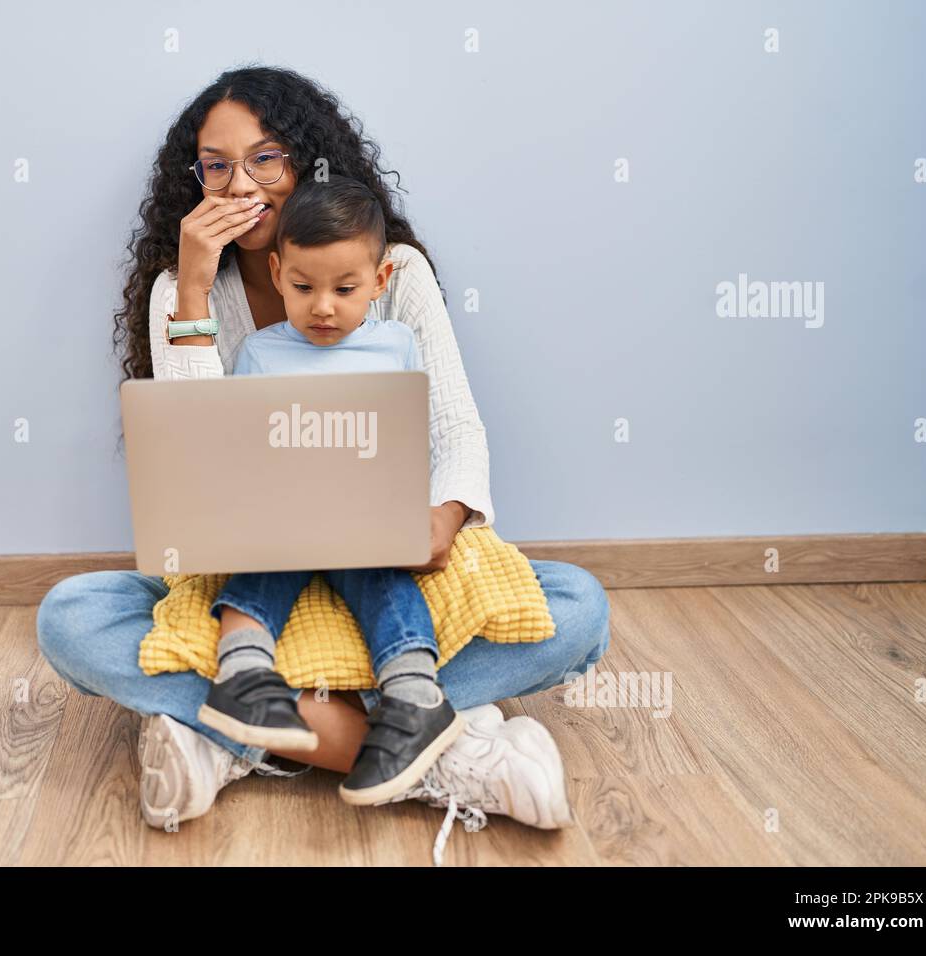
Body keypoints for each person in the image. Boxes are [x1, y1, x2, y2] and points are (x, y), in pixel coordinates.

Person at [37, 66, 611, 854]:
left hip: (389, 564)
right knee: (71, 616)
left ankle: (240, 739)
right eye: (217, 164)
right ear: (197, 178)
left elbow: (455, 427)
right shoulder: (183, 286)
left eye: (265, 159)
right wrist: (196, 291)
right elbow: (195, 461)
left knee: (578, 605)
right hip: (249, 577)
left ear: (305, 162)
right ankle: (425, 751)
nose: (242, 183)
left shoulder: (395, 272)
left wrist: (439, 524)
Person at [198, 176, 466, 807]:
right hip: (284, 519)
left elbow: (418, 435)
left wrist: (421, 510)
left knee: (380, 574)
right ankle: (242, 674)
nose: (323, 307)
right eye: (302, 287)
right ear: (277, 270)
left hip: (366, 519)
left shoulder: (396, 344)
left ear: (380, 281)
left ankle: (414, 695)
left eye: (345, 290)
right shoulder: (259, 353)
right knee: (268, 557)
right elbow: (231, 447)